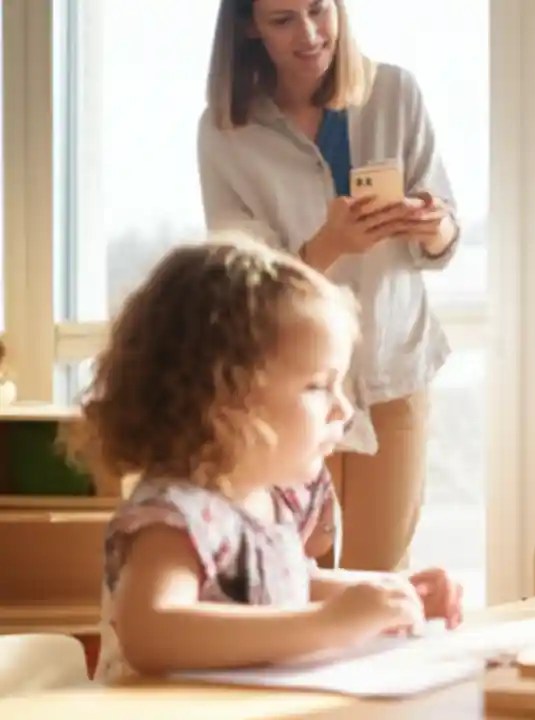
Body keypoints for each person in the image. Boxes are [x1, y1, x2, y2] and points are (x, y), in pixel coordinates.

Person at [68, 237, 462, 682]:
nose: (344, 409)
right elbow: (153, 630)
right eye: (318, 387)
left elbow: (279, 588)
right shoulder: (176, 515)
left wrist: (391, 595)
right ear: (225, 401)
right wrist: (329, 623)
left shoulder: (271, 500)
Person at [198, 0, 459, 571]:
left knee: (380, 574)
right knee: (293, 573)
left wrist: (434, 225)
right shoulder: (226, 132)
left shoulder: (394, 92)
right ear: (248, 27)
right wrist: (328, 246)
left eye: (319, 9)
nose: (310, 34)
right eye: (282, 19)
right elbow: (245, 288)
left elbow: (442, 239)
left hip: (393, 372)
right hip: (290, 384)